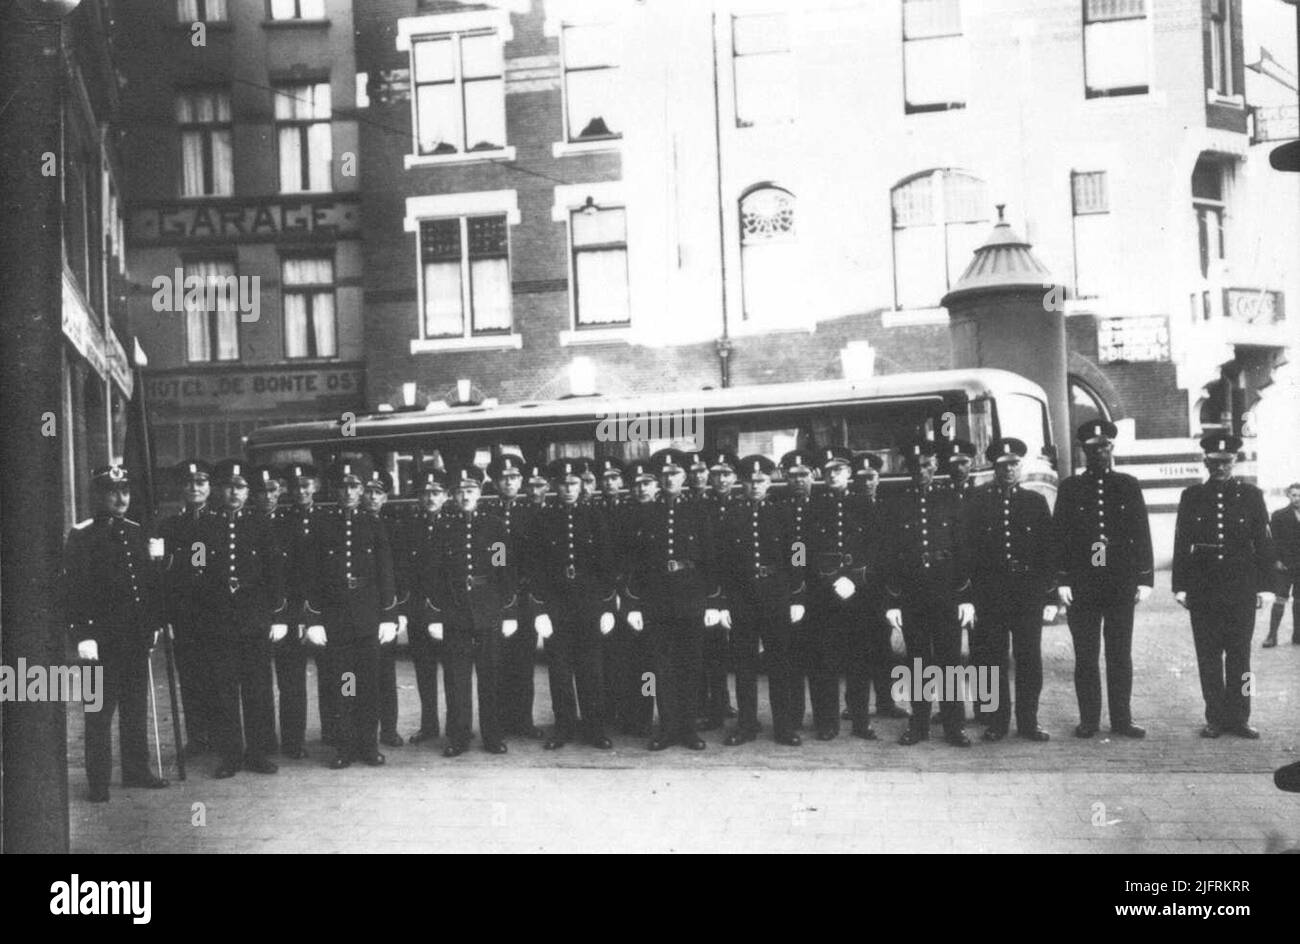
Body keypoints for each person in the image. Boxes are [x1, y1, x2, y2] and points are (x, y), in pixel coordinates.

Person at [61, 464, 169, 802]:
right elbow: (75, 589)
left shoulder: (136, 531)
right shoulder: (82, 535)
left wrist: (151, 625)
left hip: (134, 636)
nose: (121, 498)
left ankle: (136, 770)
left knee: (135, 708)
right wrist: (83, 635)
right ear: (98, 495)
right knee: (98, 713)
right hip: (101, 640)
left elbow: (146, 589)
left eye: (125, 491)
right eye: (113, 491)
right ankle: (98, 782)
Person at [1053, 420, 1152, 739]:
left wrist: (1145, 578)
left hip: (1120, 582)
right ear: (1084, 452)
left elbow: (1141, 532)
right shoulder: (1070, 489)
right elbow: (1061, 537)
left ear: (1112, 449)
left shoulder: (1128, 484)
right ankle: (1089, 720)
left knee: (1120, 654)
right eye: (1094, 448)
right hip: (1082, 584)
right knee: (1085, 655)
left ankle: (1122, 719)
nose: (1100, 453)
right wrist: (1063, 580)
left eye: (1105, 447)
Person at [1172, 433, 1275, 739]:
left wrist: (1266, 586)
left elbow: (1263, 543)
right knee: (1208, 657)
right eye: (1214, 463)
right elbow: (1181, 544)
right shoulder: (1191, 497)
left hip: (1241, 589)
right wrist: (1180, 585)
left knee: (1241, 657)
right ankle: (1214, 717)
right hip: (1203, 591)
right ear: (1205, 463)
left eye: (1226, 462)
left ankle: (1241, 717)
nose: (1220, 468)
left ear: (1235, 462)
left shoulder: (1252, 496)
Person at [302, 461, 398, 769]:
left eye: (354, 486)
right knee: (344, 682)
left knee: (368, 684)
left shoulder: (373, 523)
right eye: (343, 487)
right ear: (334, 490)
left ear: (362, 490)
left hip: (367, 615)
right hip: (336, 617)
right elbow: (312, 576)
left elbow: (386, 573)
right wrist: (314, 620)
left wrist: (388, 615)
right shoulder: (321, 524)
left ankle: (368, 746)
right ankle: (345, 745)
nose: (348, 492)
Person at [625, 449, 721, 750]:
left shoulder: (698, 510)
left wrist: (714, 601)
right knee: (660, 666)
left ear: (684, 477)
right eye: (663, 475)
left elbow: (711, 558)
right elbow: (635, 564)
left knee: (691, 666)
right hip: (656, 598)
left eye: (674, 474)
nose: (669, 479)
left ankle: (689, 729)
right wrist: (633, 604)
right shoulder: (644, 513)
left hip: (690, 595)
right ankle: (667, 729)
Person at [197, 460, 285, 778]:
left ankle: (258, 753)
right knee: (223, 690)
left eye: (240, 487)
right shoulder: (205, 525)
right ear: (220, 491)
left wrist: (275, 614)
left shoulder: (262, 523)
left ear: (248, 492)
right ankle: (230, 755)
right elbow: (198, 572)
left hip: (254, 618)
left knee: (257, 688)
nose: (234, 493)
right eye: (228, 487)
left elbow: (274, 571)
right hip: (219, 618)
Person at [883, 441, 974, 748]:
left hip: (945, 591)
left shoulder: (952, 499)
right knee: (917, 660)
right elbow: (891, 555)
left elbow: (964, 550)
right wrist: (893, 600)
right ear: (908, 468)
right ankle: (918, 724)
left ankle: (953, 726)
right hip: (912, 593)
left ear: (936, 467)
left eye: (927, 465)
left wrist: (965, 596)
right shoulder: (896, 503)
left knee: (949, 660)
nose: (922, 471)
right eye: (916, 465)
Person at [962, 439, 1054, 742]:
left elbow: (1046, 552)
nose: (1009, 470)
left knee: (1029, 659)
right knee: (992, 658)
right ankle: (997, 722)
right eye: (1003, 465)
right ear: (994, 468)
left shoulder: (1035, 502)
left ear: (1021, 466)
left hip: (1027, 594)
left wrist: (1050, 595)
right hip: (991, 594)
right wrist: (970, 597)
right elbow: (969, 553)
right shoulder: (977, 501)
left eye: (1014, 464)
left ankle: (1029, 721)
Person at [427, 467, 518, 757]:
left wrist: (508, 610)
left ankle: (493, 735)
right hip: (455, 611)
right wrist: (436, 614)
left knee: (490, 676)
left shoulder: (494, 526)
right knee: (457, 678)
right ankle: (459, 736)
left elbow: (504, 570)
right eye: (460, 491)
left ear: (479, 493)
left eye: (470, 490)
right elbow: (435, 574)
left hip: (487, 608)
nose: (465, 495)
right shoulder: (444, 527)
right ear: (453, 496)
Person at [531, 459, 616, 750]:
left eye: (574, 484)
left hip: (589, 602)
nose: (568, 489)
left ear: (582, 485)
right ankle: (563, 727)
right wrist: (540, 609)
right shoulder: (545, 517)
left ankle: (595, 728)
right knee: (559, 670)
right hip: (557, 603)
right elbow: (536, 567)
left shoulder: (596, 515)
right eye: (563, 484)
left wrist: (606, 606)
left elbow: (607, 564)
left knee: (592, 669)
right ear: (555, 486)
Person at [720, 455, 803, 746]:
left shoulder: (783, 513)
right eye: (750, 481)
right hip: (742, 595)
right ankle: (746, 725)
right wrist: (725, 600)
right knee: (744, 664)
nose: (755, 485)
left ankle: (783, 726)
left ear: (770, 482)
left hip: (775, 593)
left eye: (761, 481)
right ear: (742, 482)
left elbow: (797, 554)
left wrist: (795, 594)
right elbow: (724, 561)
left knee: (780, 662)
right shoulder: (731, 514)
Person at [807, 446, 879, 741]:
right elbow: (802, 551)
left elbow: (877, 547)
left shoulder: (866, 504)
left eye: (839, 470)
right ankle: (828, 722)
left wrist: (857, 579)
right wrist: (830, 578)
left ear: (850, 474)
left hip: (859, 593)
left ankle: (861, 721)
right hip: (826, 594)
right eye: (828, 472)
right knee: (825, 661)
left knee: (858, 660)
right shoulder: (814, 506)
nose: (833, 475)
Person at [154, 459, 217, 756]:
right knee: (190, 677)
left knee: (218, 676)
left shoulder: (218, 521)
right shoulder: (170, 526)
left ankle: (223, 734)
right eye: (189, 483)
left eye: (201, 483)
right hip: (184, 614)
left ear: (209, 487)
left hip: (215, 612)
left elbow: (202, 565)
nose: (195, 488)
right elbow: (163, 575)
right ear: (181, 488)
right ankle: (198, 737)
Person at [488, 454, 543, 740]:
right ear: (495, 482)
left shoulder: (533, 512)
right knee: (496, 662)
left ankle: (523, 720)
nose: (508, 482)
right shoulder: (488, 512)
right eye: (503, 478)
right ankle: (497, 722)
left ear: (521, 481)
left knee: (523, 661)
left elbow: (538, 558)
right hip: (495, 597)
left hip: (523, 597)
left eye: (513, 477)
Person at [850, 450, 907, 721]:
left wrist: (893, 591)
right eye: (861, 478)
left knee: (883, 649)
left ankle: (886, 702)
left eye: (871, 477)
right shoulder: (845, 509)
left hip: (881, 589)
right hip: (852, 589)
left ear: (879, 479)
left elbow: (895, 550)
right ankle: (855, 705)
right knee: (854, 649)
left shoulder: (889, 508)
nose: (867, 483)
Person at [276, 463, 323, 758]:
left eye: (306, 485)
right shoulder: (279, 522)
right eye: (295, 487)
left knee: (335, 676)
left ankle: (334, 731)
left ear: (315, 487)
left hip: (324, 610)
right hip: (291, 609)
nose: (301, 491)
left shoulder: (329, 519)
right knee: (291, 680)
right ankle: (293, 740)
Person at [401, 468, 451, 744]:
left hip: (451, 612)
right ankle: (428, 725)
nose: (430, 498)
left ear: (445, 496)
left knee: (456, 673)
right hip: (419, 611)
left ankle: (458, 725)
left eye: (436, 493)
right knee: (424, 672)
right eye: (425, 493)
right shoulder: (409, 526)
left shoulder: (456, 523)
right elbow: (402, 571)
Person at [698, 451, 740, 731]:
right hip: (709, 588)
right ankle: (711, 707)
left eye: (726, 474)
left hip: (741, 588)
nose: (721, 479)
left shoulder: (743, 505)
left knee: (738, 653)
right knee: (709, 652)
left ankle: (734, 705)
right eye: (716, 474)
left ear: (735, 477)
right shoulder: (700, 507)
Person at [363, 469, 405, 749]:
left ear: (386, 497)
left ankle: (388, 729)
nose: (372, 497)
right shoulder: (351, 523)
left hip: (385, 607)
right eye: (368, 491)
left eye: (378, 492)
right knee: (354, 673)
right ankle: (352, 727)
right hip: (358, 609)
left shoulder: (394, 526)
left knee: (385, 674)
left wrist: (395, 610)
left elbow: (400, 570)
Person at [780, 450, 817, 730]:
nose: (798, 480)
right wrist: (796, 588)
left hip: (823, 590)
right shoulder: (780, 508)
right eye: (792, 476)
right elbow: (795, 552)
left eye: (803, 474)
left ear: (813, 475)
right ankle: (792, 716)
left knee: (820, 659)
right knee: (791, 658)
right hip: (793, 590)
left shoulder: (825, 505)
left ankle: (823, 717)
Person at [1263, 483, 1300, 648]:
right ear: (1288, 496)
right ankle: (1272, 635)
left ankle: (1298, 635)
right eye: (1293, 495)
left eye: (1299, 495)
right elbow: (1272, 541)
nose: (1297, 498)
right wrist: (1276, 560)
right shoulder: (1279, 516)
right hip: (1285, 565)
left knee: (1299, 601)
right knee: (1280, 599)